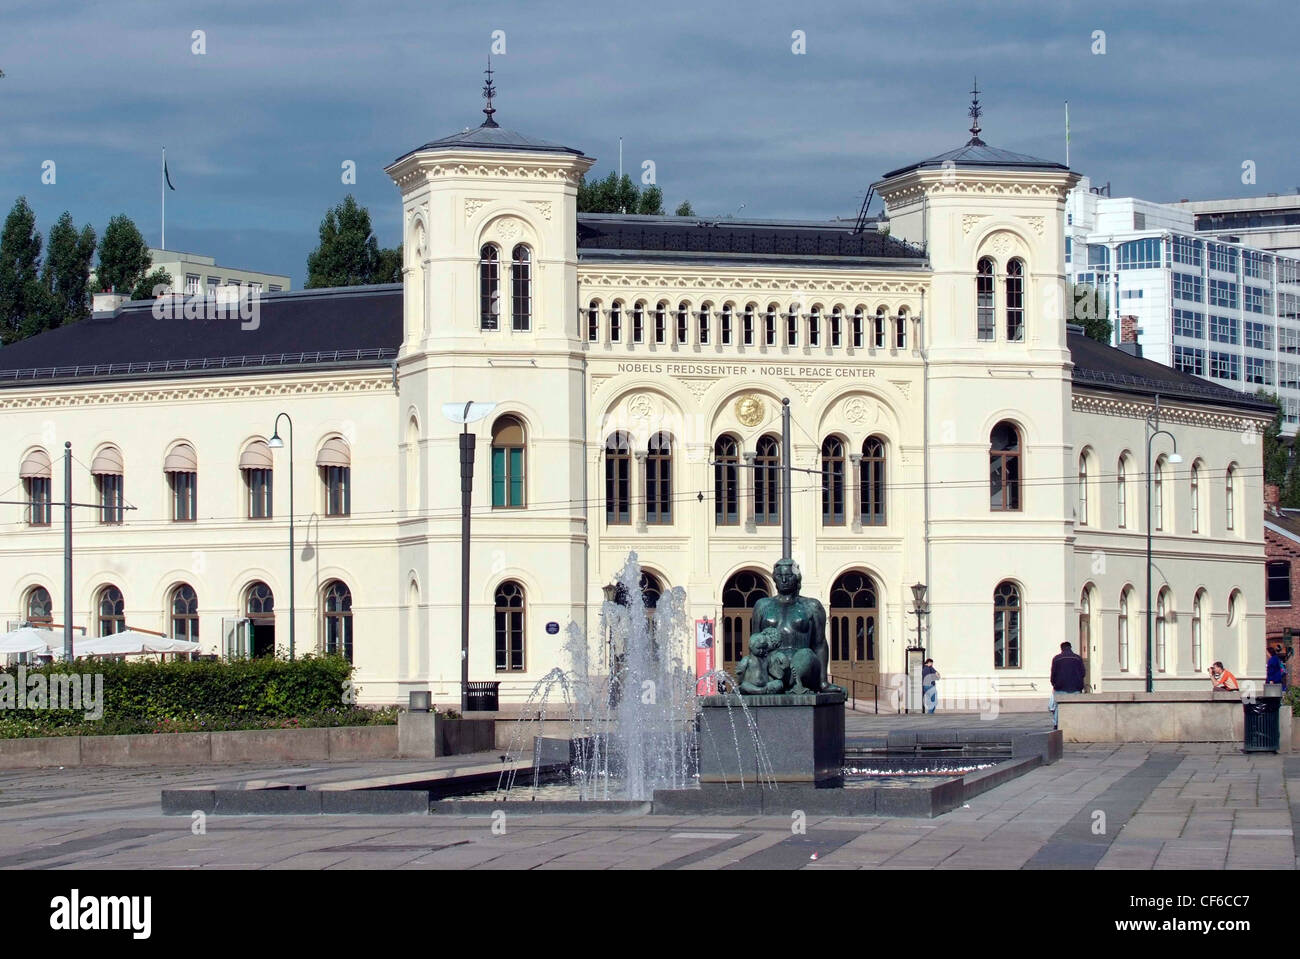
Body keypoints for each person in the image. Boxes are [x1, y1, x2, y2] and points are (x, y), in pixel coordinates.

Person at [1049, 641, 1086, 729]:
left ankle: (1057, 724)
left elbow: (1053, 674)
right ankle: (1075, 724)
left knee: (1058, 707)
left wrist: (1054, 684)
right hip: (1075, 687)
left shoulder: (1056, 658)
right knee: (1075, 707)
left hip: (1060, 687)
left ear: (1061, 648)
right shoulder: (1078, 658)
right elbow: (1083, 673)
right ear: (1070, 647)